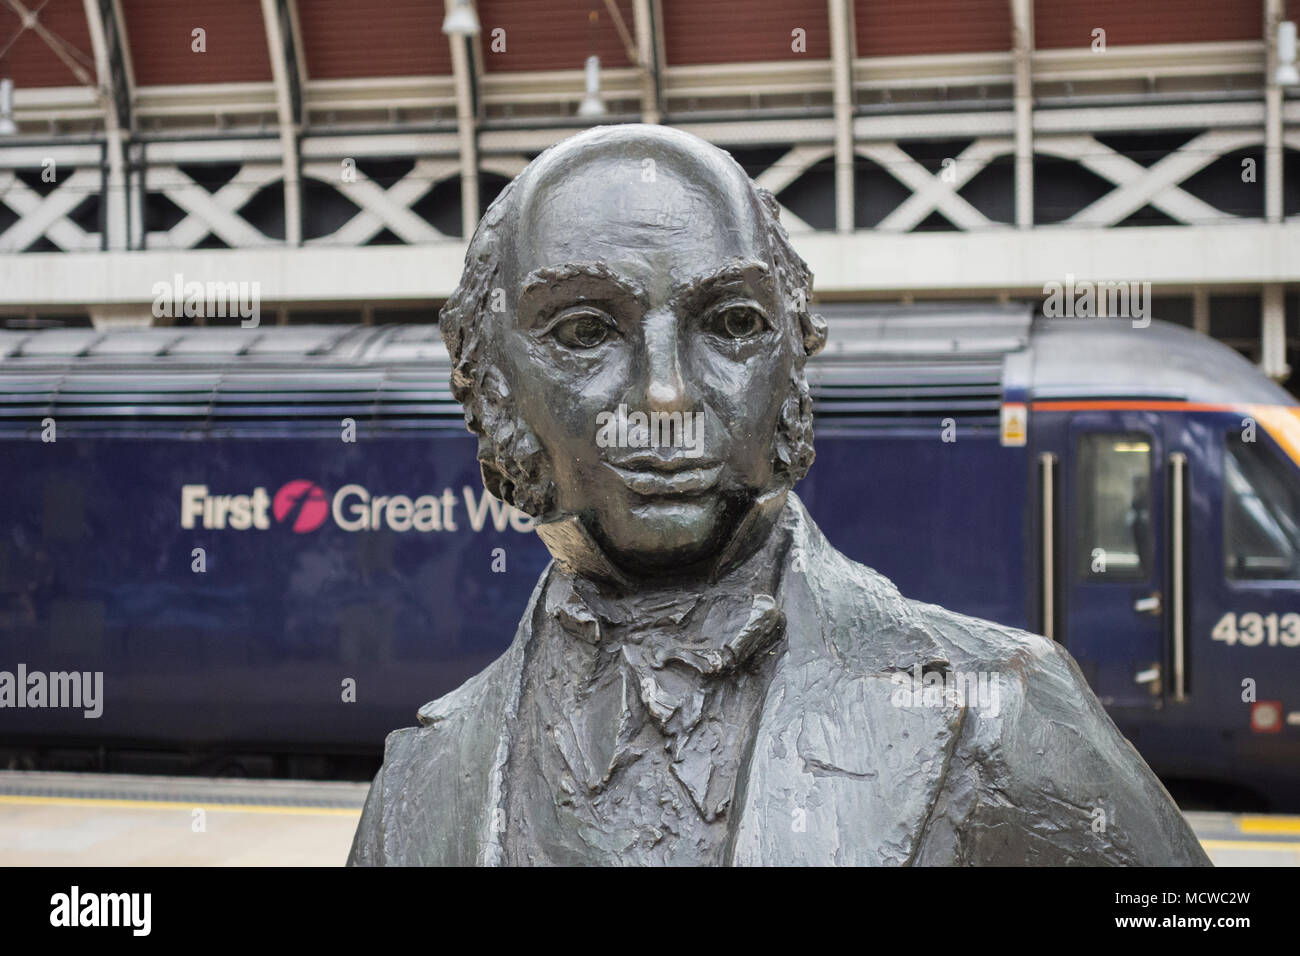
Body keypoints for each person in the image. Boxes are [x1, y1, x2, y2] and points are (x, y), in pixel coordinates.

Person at [348, 124, 1210, 866]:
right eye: (584, 332)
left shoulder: (1005, 711)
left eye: (730, 324)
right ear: (491, 382)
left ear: (792, 368)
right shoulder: (421, 780)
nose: (665, 399)